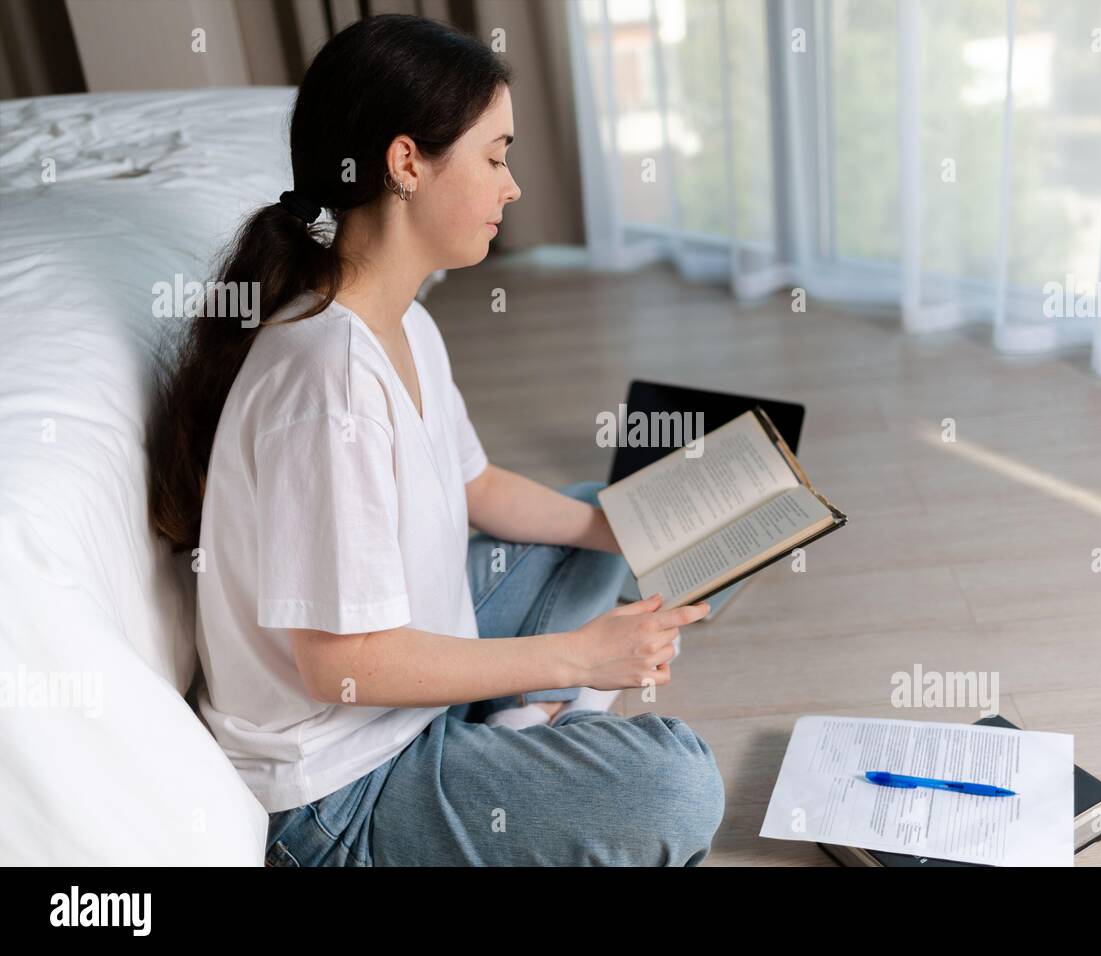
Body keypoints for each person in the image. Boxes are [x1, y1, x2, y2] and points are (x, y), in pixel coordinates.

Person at [147, 14, 723, 866]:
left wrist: (624, 524)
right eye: (495, 157)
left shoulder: (404, 323)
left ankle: (526, 713)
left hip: (421, 657)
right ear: (407, 161)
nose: (513, 186)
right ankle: (535, 709)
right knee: (676, 786)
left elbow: (475, 488)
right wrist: (582, 654)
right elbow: (342, 666)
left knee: (637, 526)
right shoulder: (327, 383)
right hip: (344, 791)